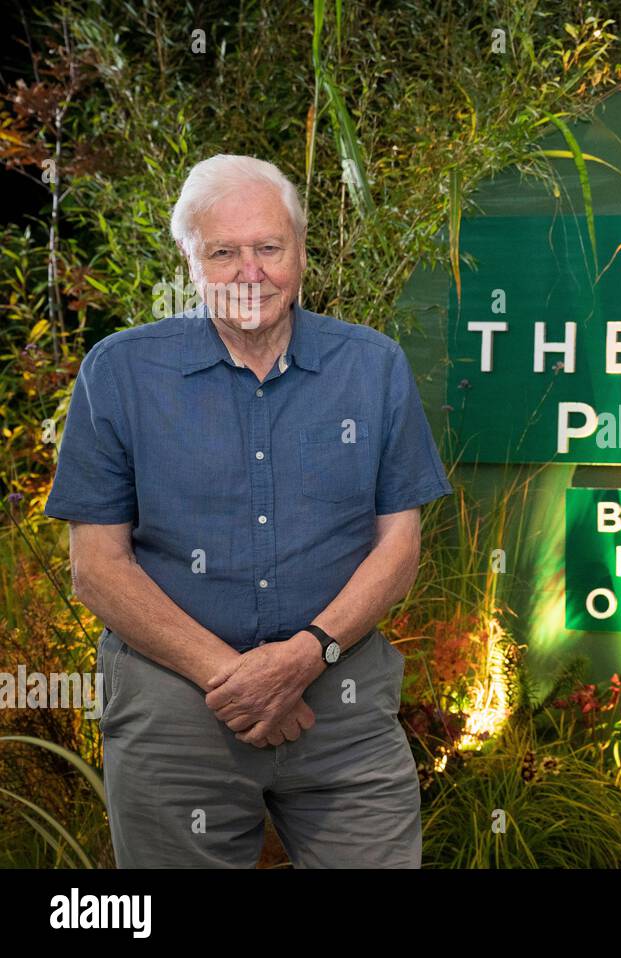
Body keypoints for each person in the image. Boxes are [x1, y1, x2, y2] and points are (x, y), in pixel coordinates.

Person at [43, 153, 453, 867]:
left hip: (342, 702)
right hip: (175, 713)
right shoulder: (120, 373)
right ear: (189, 260)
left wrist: (304, 656)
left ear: (300, 251)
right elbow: (97, 569)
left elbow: (399, 546)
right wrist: (235, 679)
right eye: (223, 253)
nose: (249, 271)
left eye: (268, 248)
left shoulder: (372, 367)